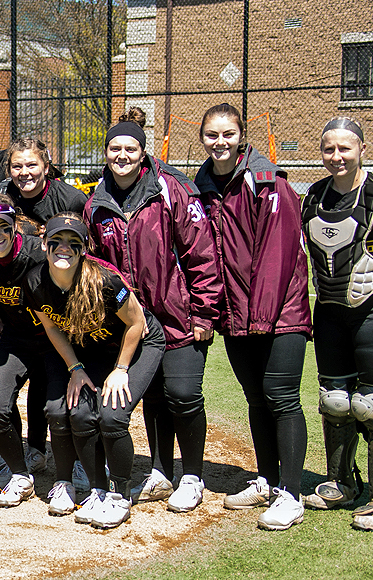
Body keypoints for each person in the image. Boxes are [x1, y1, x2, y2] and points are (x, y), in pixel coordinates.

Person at [83, 108, 222, 514]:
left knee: (183, 393)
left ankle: (192, 476)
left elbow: (201, 254)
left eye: (130, 148)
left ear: (143, 153)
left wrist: (204, 312)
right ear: (106, 153)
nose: (122, 155)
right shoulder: (97, 201)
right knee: (154, 396)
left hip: (179, 313)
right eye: (114, 148)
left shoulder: (172, 190)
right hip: (134, 320)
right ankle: (161, 471)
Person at [193, 103, 312, 531]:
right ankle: (267, 479)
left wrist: (259, 318)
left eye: (228, 134)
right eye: (211, 135)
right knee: (256, 400)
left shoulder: (268, 182)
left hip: (279, 313)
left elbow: (278, 256)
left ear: (242, 136)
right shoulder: (201, 186)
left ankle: (292, 495)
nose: (219, 143)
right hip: (237, 315)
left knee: (282, 399)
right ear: (202, 138)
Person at [300, 116, 373, 531]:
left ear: (362, 149)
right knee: (335, 401)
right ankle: (342, 484)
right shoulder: (314, 196)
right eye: (329, 149)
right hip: (331, 312)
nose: (337, 157)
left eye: (345, 148)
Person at [32, 214, 164, 528]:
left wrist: (121, 370)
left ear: (84, 248)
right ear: (43, 244)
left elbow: (137, 324)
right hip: (97, 350)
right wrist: (75, 368)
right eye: (57, 240)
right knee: (78, 414)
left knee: (112, 416)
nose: (64, 247)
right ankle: (98, 491)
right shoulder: (35, 280)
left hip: (138, 344)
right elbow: (52, 328)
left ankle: (120, 497)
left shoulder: (104, 281)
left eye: (73, 242)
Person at [0, 192, 53, 507]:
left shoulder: (37, 252)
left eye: (3, 227)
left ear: (15, 225)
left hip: (50, 339)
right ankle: (19, 472)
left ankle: (55, 459)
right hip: (15, 338)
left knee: (54, 408)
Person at [0, 138, 87, 223]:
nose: (24, 172)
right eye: (17, 166)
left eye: (31, 165)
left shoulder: (71, 200)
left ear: (46, 168)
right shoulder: (1, 195)